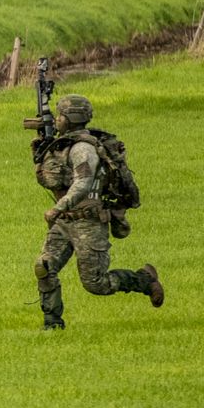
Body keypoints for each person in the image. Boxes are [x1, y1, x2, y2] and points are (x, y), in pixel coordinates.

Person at [34, 94, 163, 330]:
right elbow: (52, 179)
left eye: (60, 115)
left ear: (71, 118)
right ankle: (52, 323)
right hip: (64, 223)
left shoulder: (83, 150)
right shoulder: (62, 146)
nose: (56, 119)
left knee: (96, 284)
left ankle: (144, 280)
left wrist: (58, 207)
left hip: (88, 223)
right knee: (44, 267)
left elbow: (83, 184)